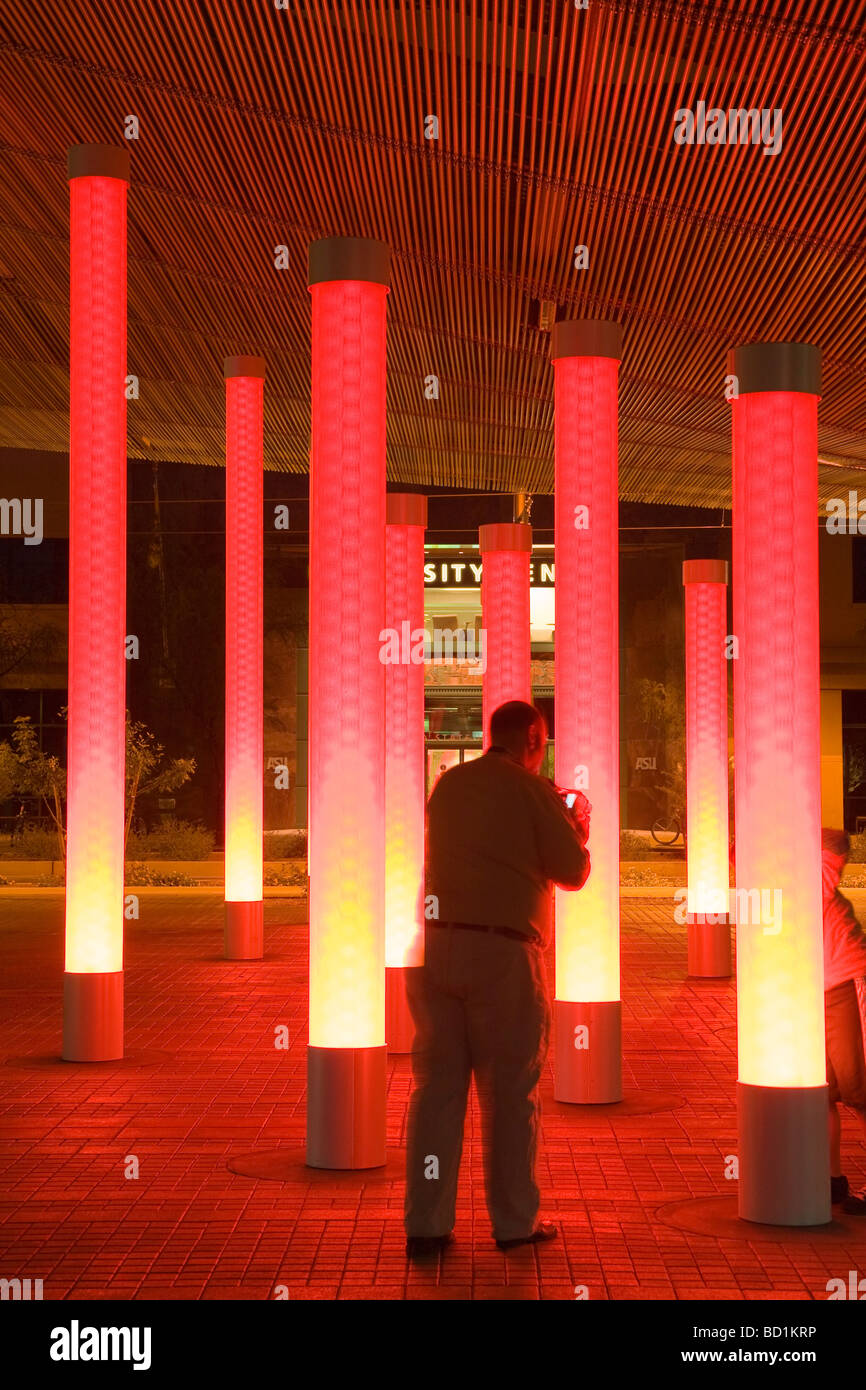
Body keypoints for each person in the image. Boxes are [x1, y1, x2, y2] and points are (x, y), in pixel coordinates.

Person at [404, 700, 590, 1258]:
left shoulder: (450, 783)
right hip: (504, 954)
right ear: (533, 737)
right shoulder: (533, 791)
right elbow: (573, 872)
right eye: (544, 741)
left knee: (436, 1093)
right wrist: (576, 827)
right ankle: (514, 1223)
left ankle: (427, 1225)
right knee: (510, 1095)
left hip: (436, 947)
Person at [821, 827, 866, 1214]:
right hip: (808, 993)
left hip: (843, 983)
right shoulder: (769, 882)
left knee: (860, 1091)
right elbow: (737, 851)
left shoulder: (814, 873)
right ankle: (833, 1182)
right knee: (823, 1094)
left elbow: (836, 841)